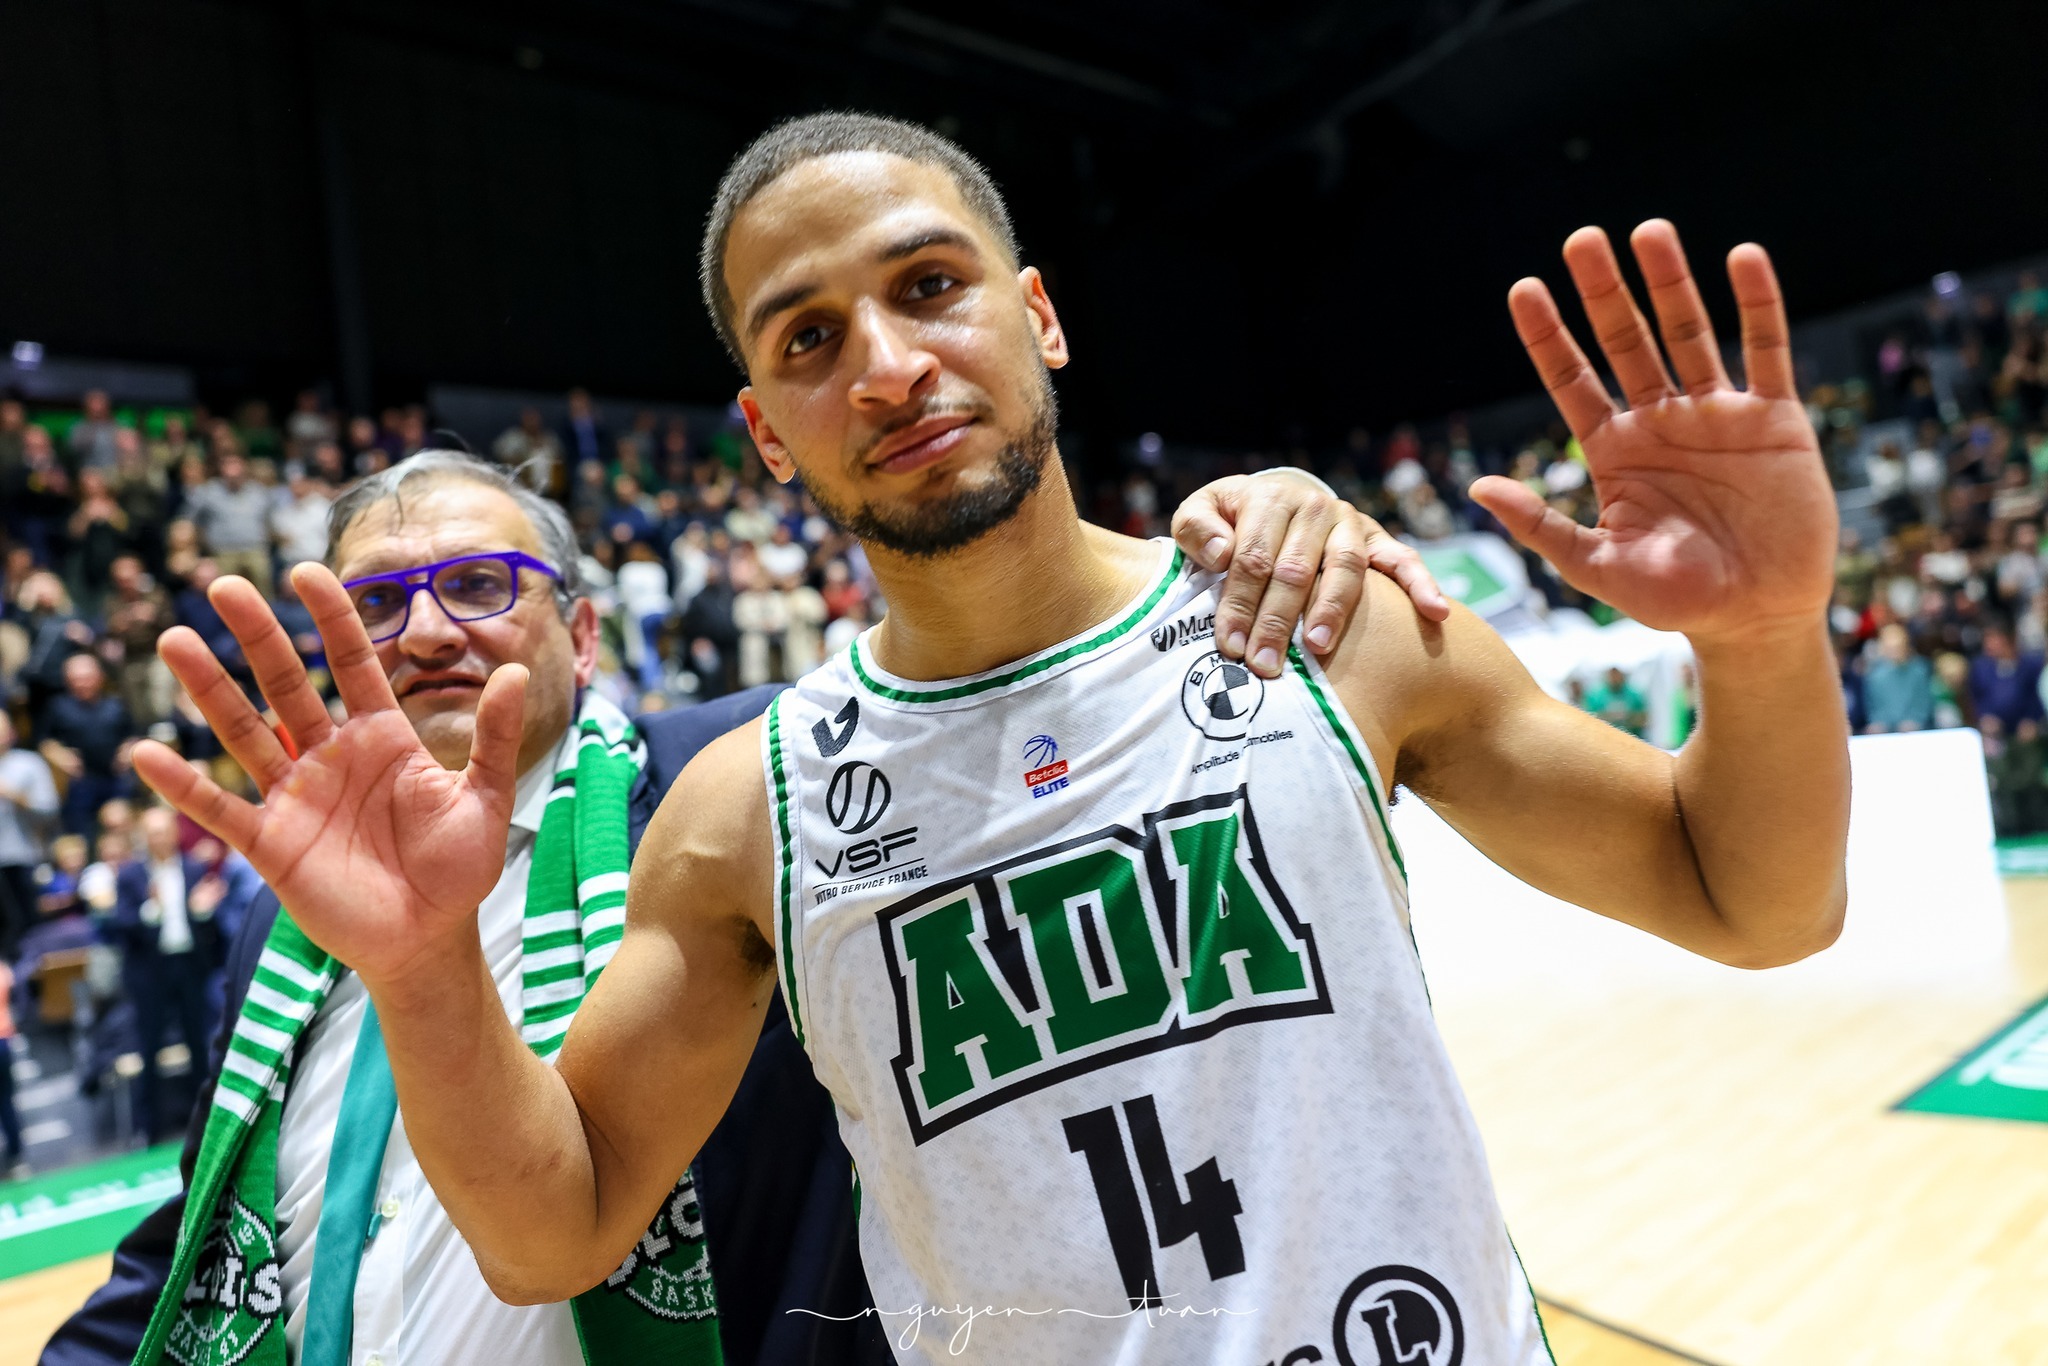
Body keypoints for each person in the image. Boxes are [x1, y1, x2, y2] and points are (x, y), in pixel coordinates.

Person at [135, 115, 1848, 1364]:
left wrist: (1764, 638)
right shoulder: (743, 813)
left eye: (929, 285)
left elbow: (1750, 899)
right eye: (810, 338)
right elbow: (553, 1229)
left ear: (1037, 315)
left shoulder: (1327, 617)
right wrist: (426, 966)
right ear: (765, 433)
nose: (887, 365)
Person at [50, 433, 1418, 1366]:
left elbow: (1001, 680)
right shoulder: (281, 920)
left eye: (475, 584)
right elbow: (210, 1230)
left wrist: (1266, 527)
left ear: (584, 632)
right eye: (377, 604)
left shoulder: (745, 783)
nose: (423, 630)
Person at [107, 807, 223, 1141]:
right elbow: (120, 925)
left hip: (189, 965)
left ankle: (207, 1122)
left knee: (199, 1043)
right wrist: (151, 910)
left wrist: (202, 913)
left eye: (164, 830)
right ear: (143, 837)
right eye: (152, 832)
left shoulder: (193, 868)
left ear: (174, 833)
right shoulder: (131, 875)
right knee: (150, 1045)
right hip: (150, 972)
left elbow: (212, 926)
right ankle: (149, 1128)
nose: (159, 838)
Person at [38, 654, 136, 837]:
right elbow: (44, 742)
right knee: (80, 834)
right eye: (76, 679)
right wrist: (61, 756)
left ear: (100, 677)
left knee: (121, 828)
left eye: (87, 678)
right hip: (79, 782)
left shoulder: (116, 705)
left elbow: (133, 736)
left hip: (115, 778)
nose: (82, 684)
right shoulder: (58, 707)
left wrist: (127, 750)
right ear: (67, 680)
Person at [0, 710, 61, 956]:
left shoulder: (30, 763)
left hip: (25, 856)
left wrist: (14, 796)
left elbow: (49, 811)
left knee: (30, 927)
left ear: (11, 732)